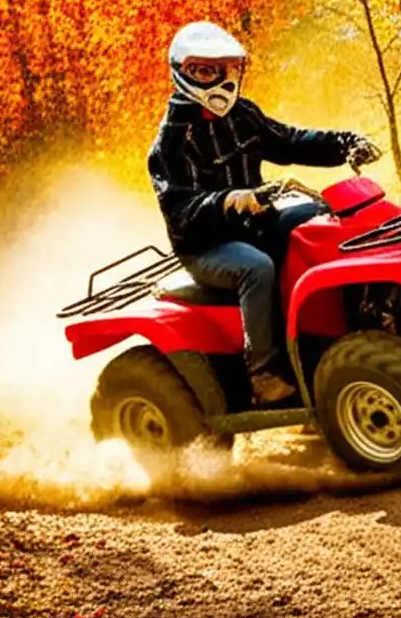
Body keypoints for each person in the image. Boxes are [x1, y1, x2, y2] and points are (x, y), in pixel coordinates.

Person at [147, 21, 381, 405]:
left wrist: (346, 143)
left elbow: (290, 141)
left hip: (255, 224)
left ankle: (336, 331)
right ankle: (264, 373)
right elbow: (181, 211)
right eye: (206, 70)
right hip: (207, 246)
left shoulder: (242, 114)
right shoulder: (171, 142)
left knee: (321, 216)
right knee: (257, 269)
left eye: (225, 69)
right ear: (182, 72)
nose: (218, 79)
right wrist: (229, 199)